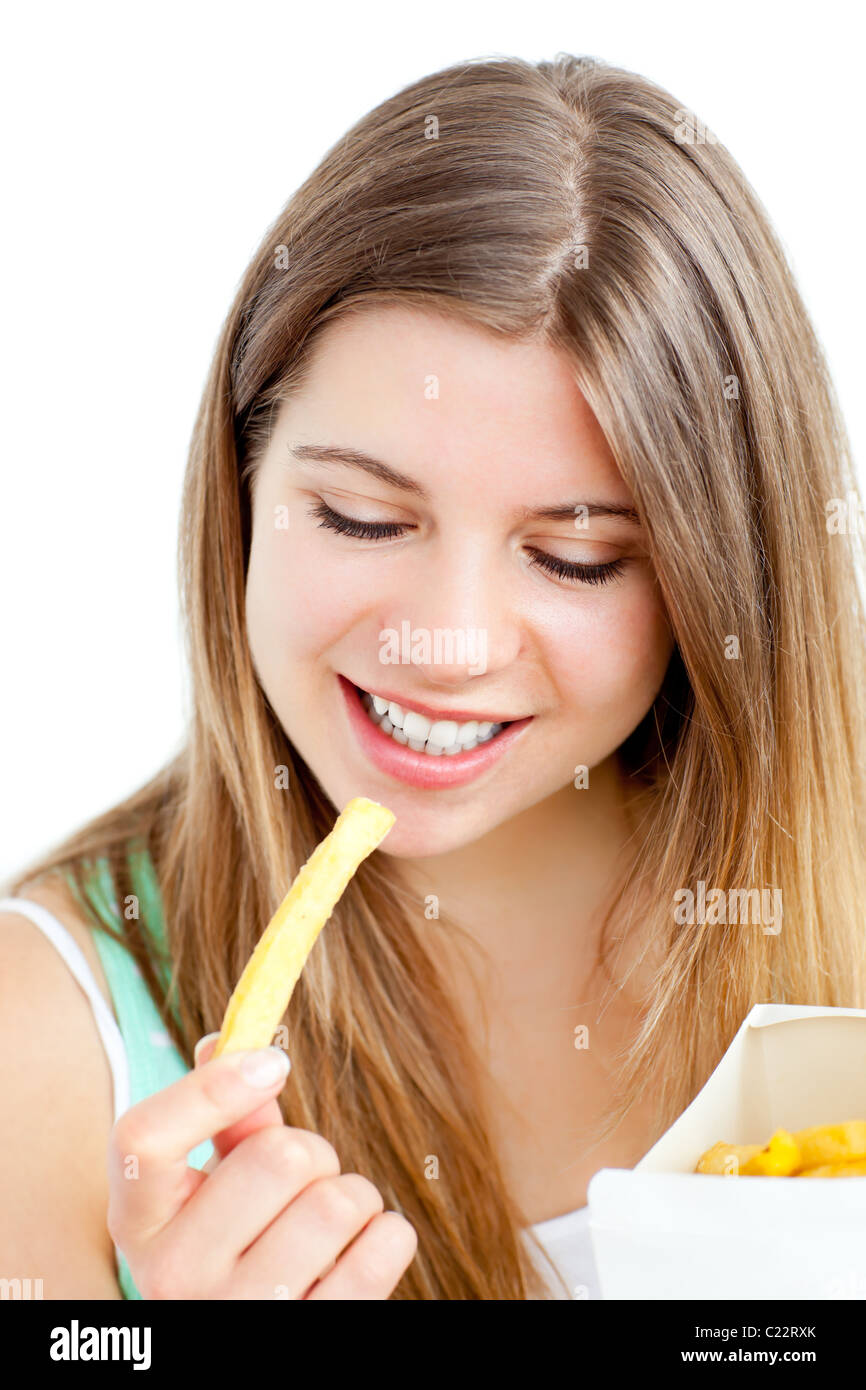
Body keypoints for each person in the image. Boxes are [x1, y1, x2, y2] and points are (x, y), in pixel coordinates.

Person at [3, 52, 865, 1301]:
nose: (446, 644)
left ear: (719, 580)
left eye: (573, 557)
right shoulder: (50, 1046)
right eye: (358, 517)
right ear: (242, 494)